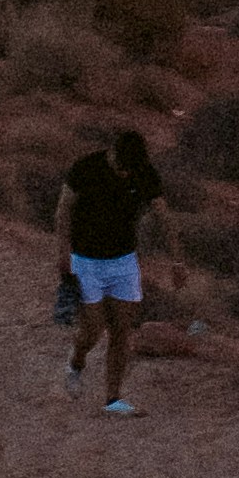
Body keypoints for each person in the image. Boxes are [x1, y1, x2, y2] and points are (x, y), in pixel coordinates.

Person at [54, 122, 167, 415]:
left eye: (129, 170)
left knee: (121, 329)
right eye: (121, 167)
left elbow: (164, 215)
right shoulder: (85, 168)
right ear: (112, 153)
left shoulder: (141, 170)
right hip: (85, 259)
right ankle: (76, 361)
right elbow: (64, 209)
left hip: (123, 260)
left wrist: (177, 261)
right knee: (93, 328)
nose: (124, 173)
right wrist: (62, 252)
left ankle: (113, 399)